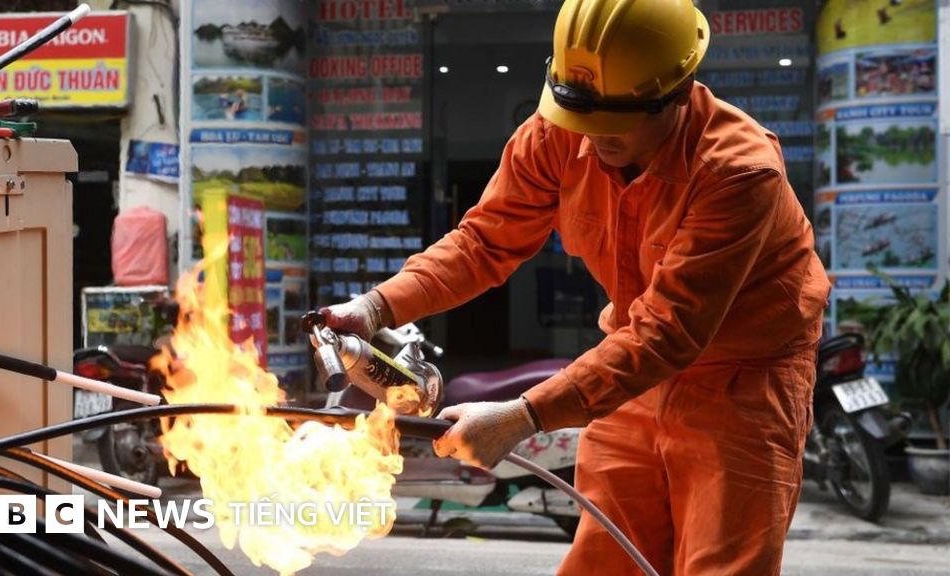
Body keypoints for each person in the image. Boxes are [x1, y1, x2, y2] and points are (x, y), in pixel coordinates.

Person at [323, 0, 829, 573]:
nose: (594, 136)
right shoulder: (558, 132)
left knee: (721, 565)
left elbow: (667, 335)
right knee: (606, 560)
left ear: (679, 92)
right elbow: (483, 242)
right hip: (629, 375)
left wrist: (521, 416)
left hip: (743, 382)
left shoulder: (737, 172)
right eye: (578, 114)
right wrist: (374, 306)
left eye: (615, 119)